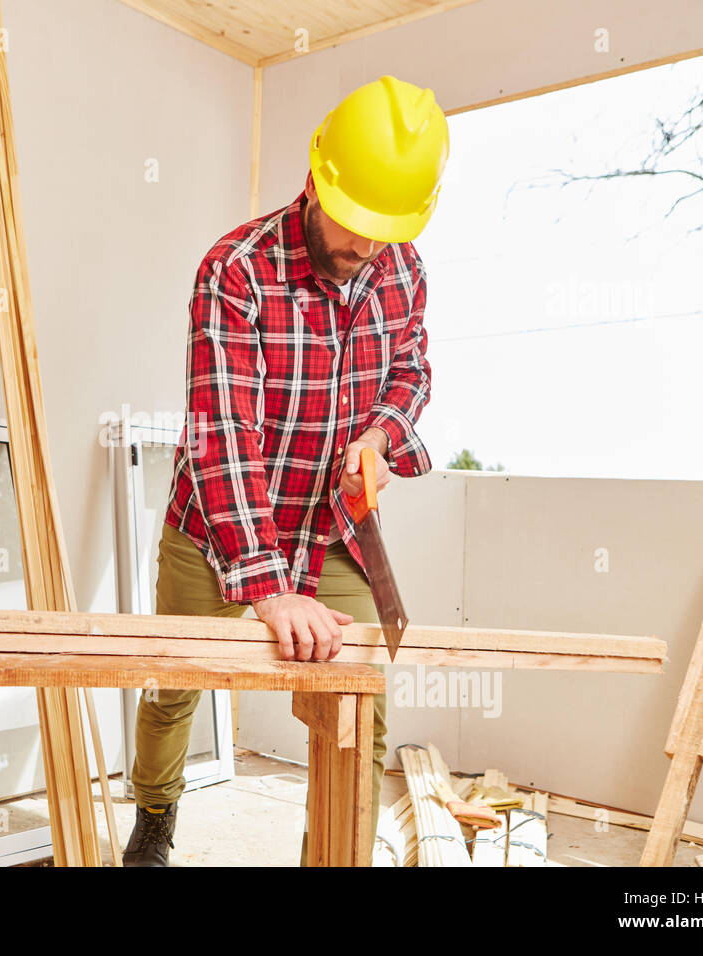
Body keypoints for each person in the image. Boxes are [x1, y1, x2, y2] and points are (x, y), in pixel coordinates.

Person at [122, 75, 449, 867]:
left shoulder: (401, 272)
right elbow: (221, 435)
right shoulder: (234, 271)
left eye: (384, 230)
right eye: (354, 225)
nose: (366, 248)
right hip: (219, 529)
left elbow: (412, 372)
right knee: (176, 683)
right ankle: (155, 817)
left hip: (331, 528)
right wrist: (267, 584)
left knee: (358, 705)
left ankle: (335, 855)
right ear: (315, 180)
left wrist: (377, 437)